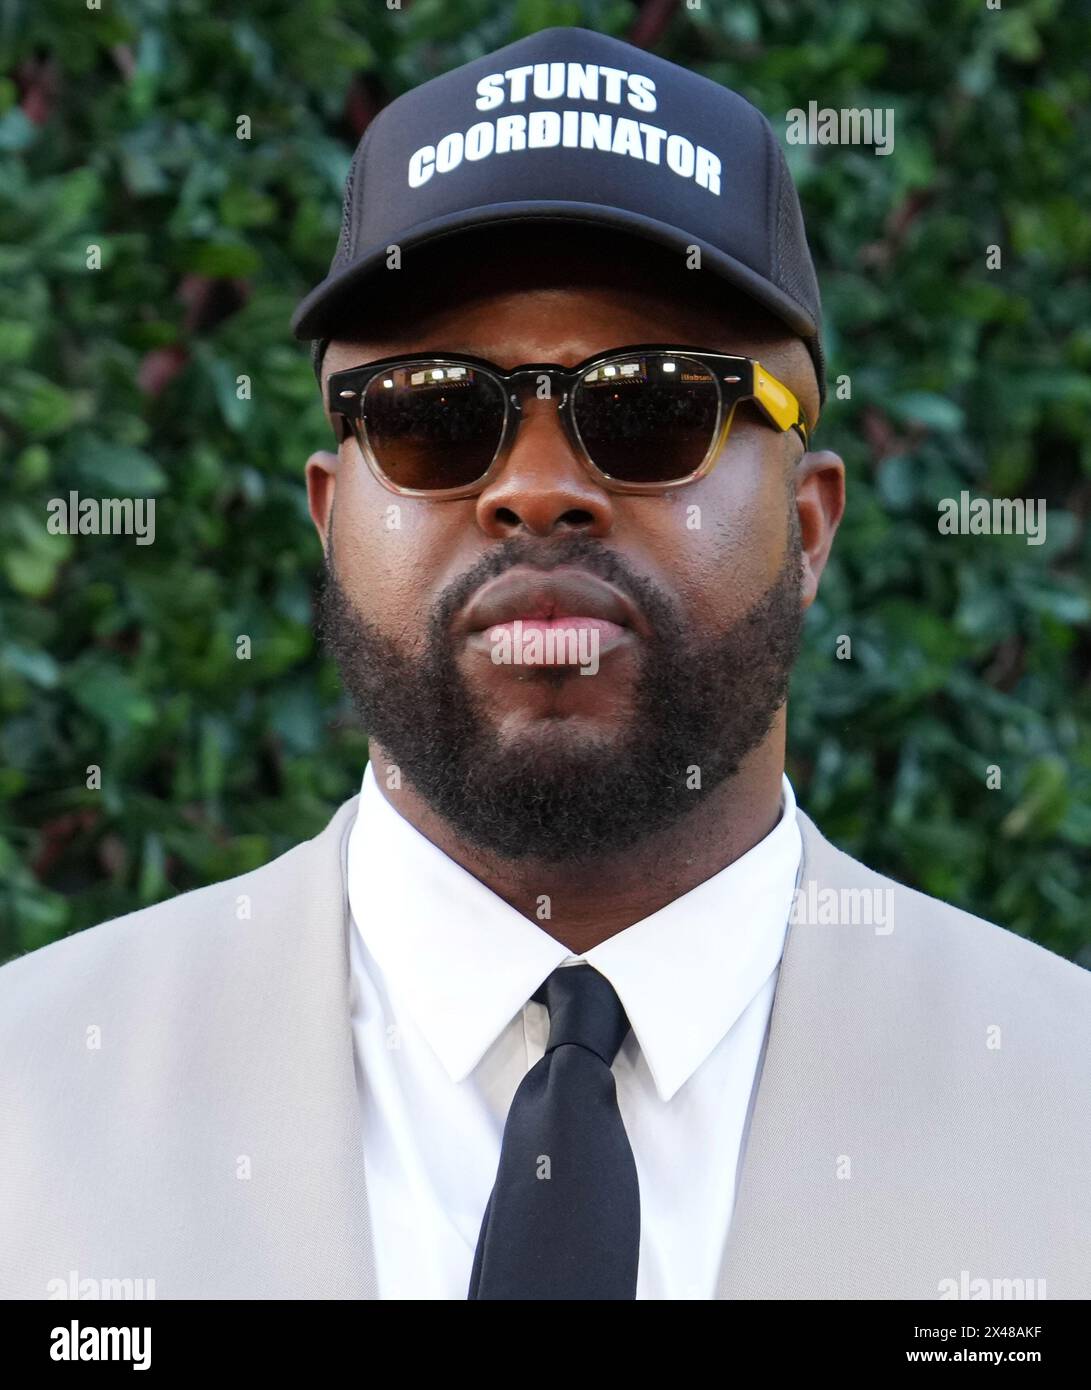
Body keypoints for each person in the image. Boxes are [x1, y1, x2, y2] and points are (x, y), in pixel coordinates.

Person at [1, 26, 1088, 1302]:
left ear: (807, 528)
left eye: (653, 403)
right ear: (327, 514)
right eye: (426, 412)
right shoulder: (31, 1094)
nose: (533, 489)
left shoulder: (1057, 1099)